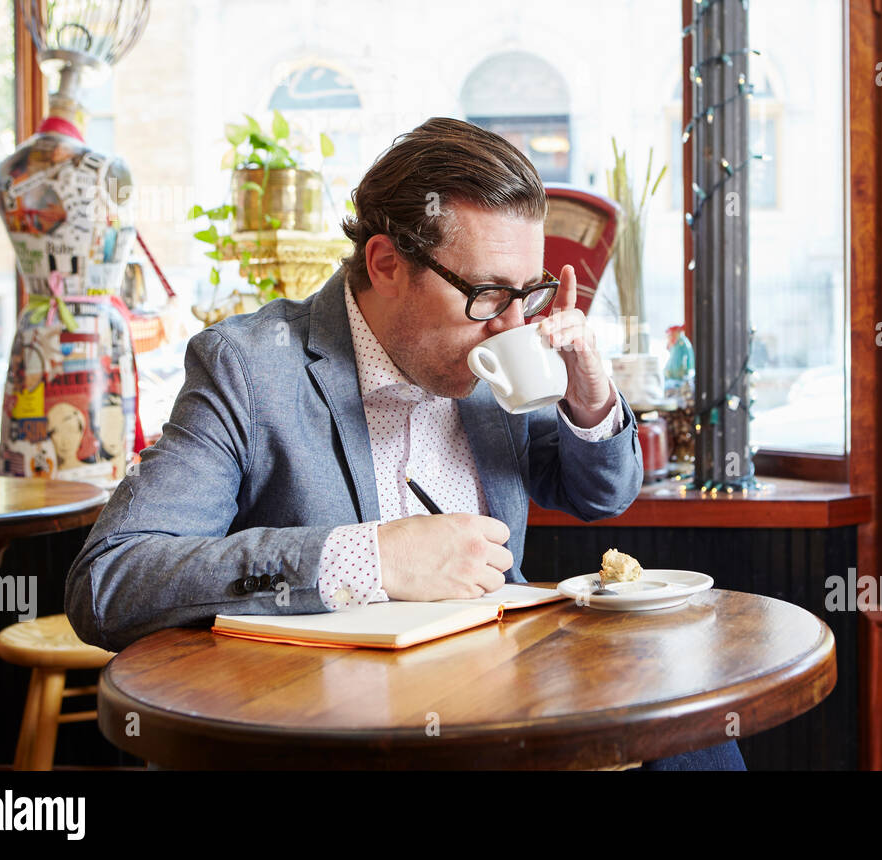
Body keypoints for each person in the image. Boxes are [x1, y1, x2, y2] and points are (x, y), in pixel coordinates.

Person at [65, 117, 744, 770]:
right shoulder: (249, 366)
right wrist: (371, 559)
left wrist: (590, 395)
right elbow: (111, 582)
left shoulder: (496, 364)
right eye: (487, 293)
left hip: (502, 706)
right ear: (387, 262)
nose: (512, 325)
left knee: (690, 717)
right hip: (330, 728)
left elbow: (600, 495)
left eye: (528, 294)